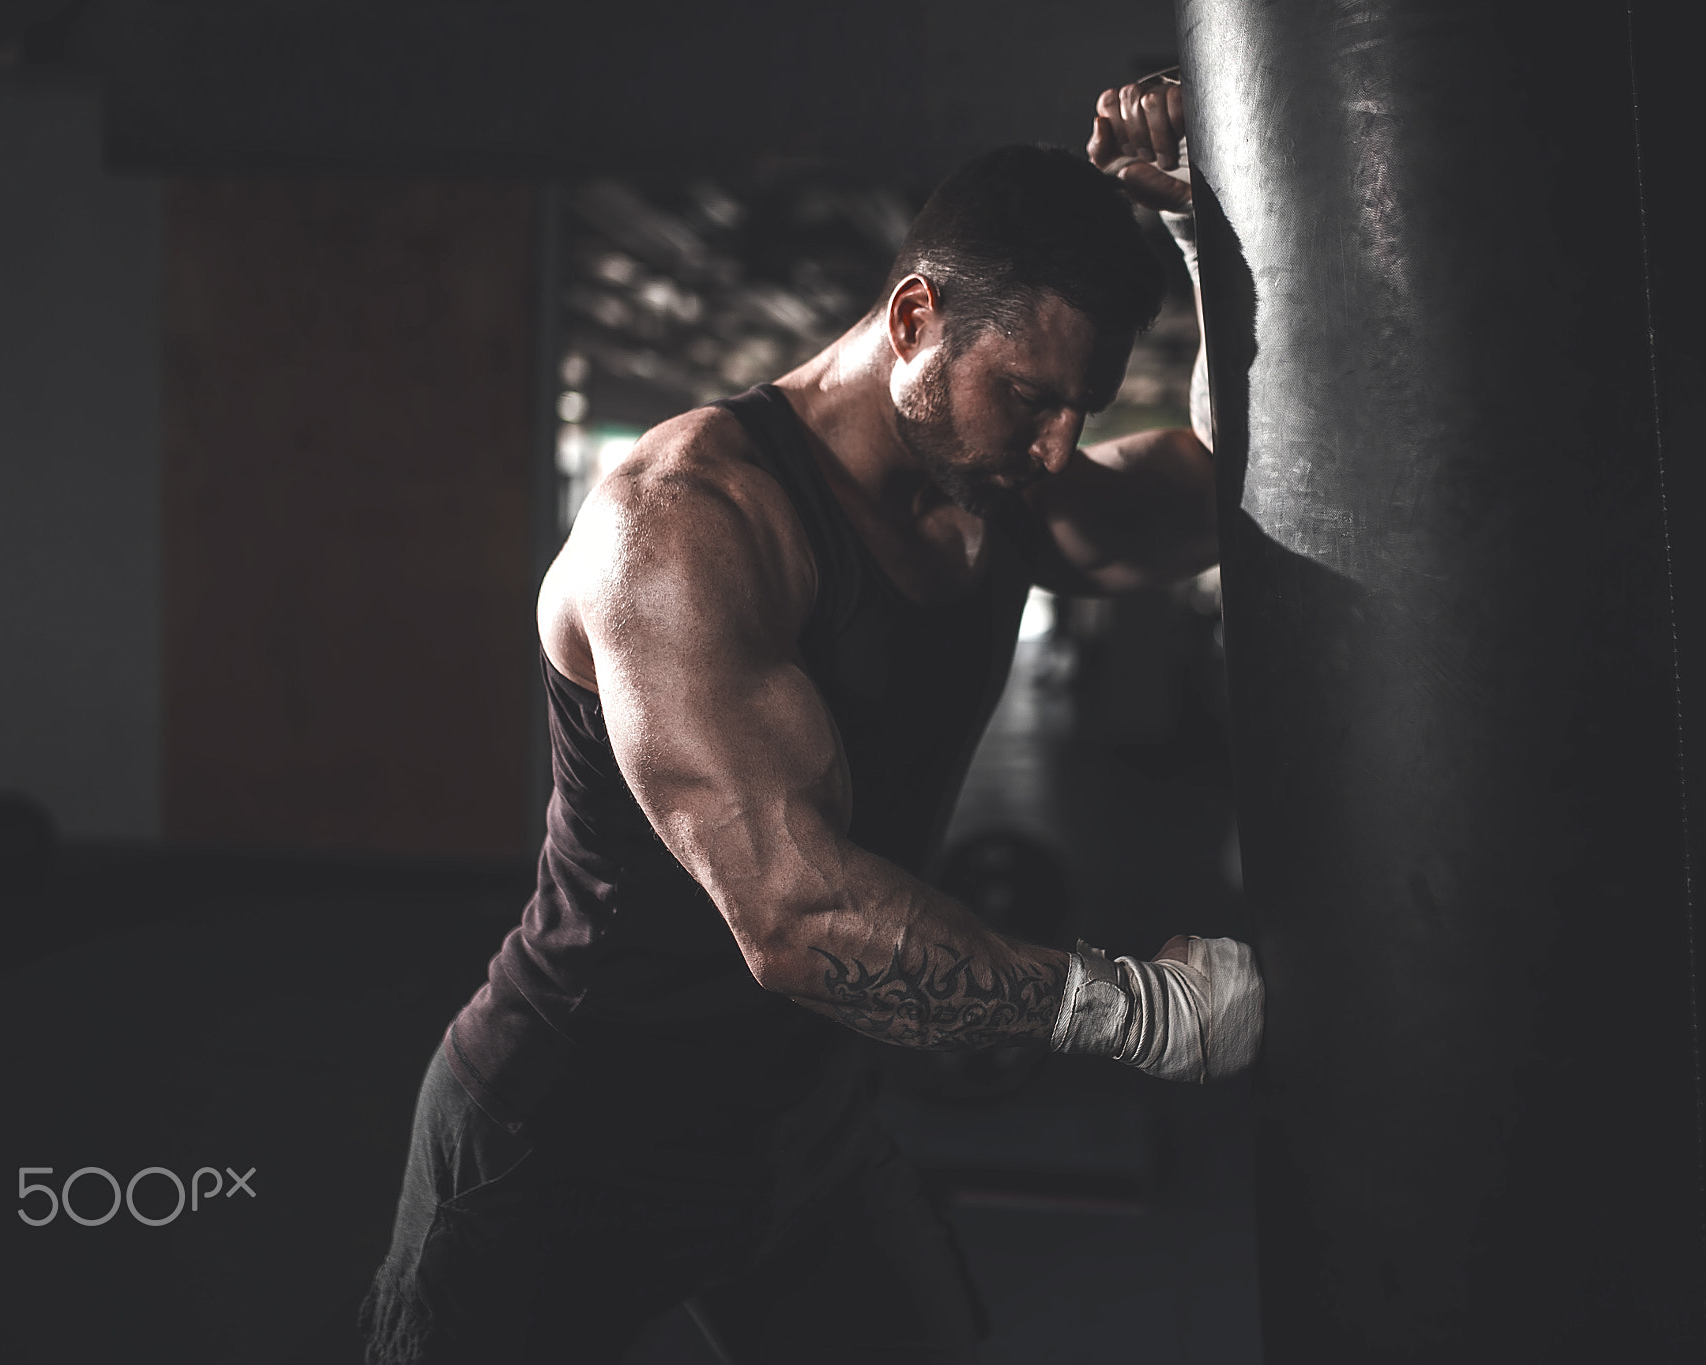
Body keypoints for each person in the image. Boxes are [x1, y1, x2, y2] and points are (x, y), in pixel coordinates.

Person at [360, 78, 1261, 1365]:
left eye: (1084, 405)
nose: (1061, 445)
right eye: (1028, 396)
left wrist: (1202, 244)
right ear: (913, 318)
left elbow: (1230, 487)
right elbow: (795, 918)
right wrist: (1136, 1013)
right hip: (568, 1136)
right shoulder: (685, 525)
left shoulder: (1000, 487)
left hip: (800, 1129)